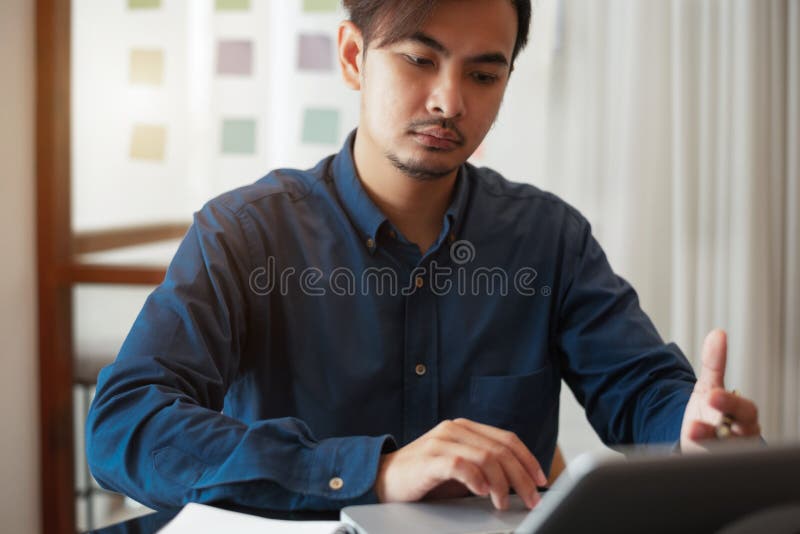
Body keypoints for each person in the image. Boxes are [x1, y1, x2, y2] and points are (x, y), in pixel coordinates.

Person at [86, 0, 762, 514]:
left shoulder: (548, 238)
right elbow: (125, 425)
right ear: (353, 56)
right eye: (418, 59)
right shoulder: (244, 232)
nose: (449, 101)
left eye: (484, 72)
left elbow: (641, 389)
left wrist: (691, 432)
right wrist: (372, 473)